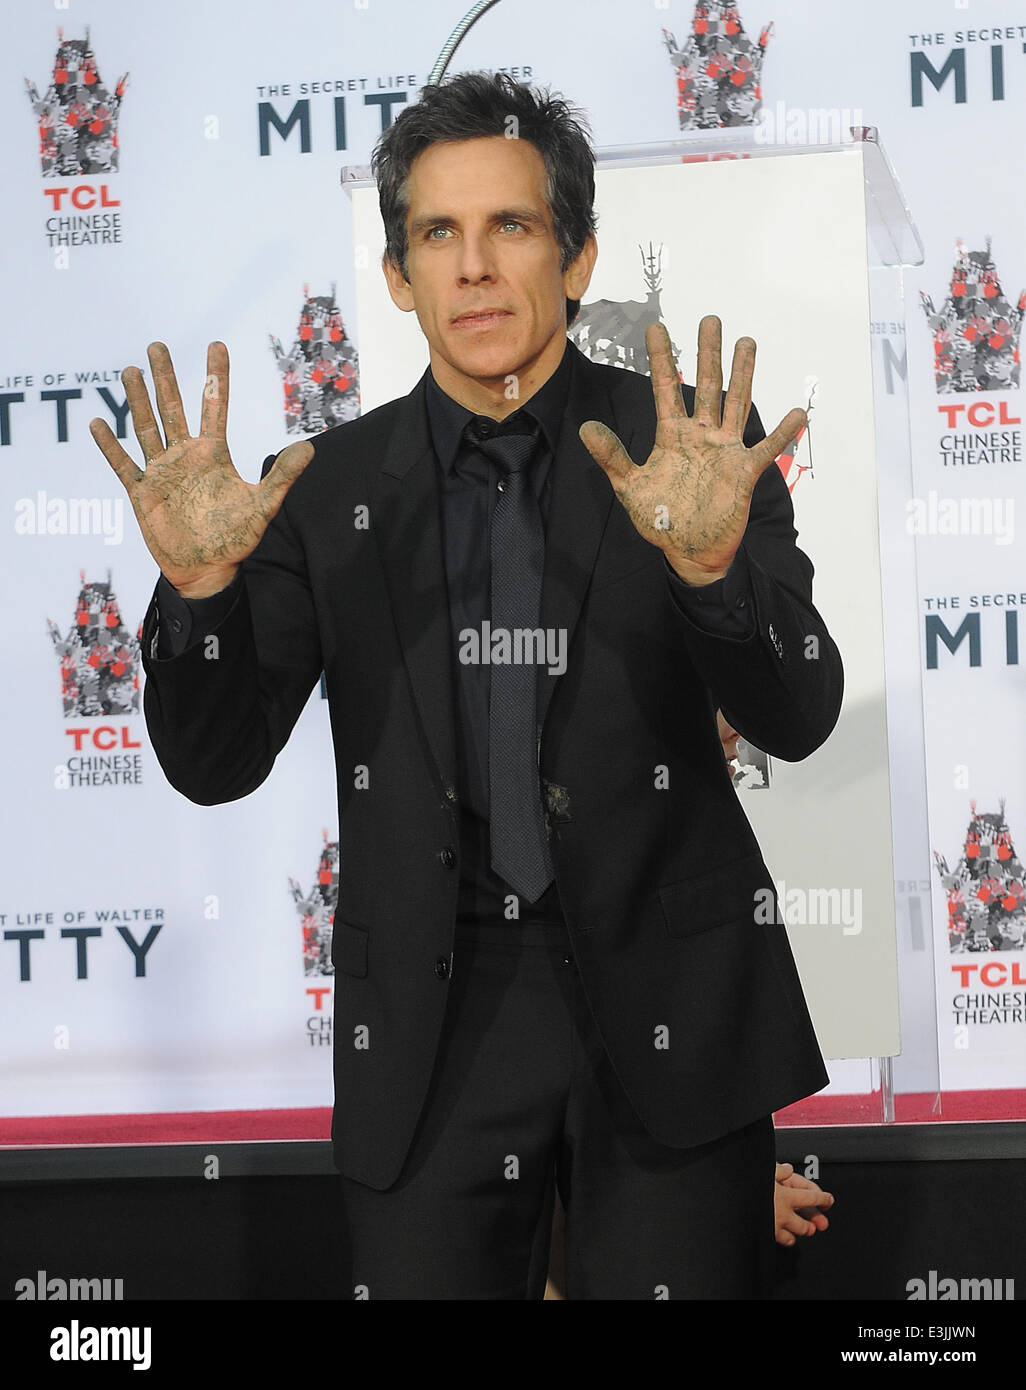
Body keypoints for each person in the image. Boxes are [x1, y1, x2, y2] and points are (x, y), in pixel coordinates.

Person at [89, 71, 843, 1300]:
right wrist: (202, 596)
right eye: (438, 233)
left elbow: (800, 716)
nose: (475, 267)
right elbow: (213, 763)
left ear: (579, 252)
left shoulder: (688, 446)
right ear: (397, 274)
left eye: (513, 227)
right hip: (432, 1033)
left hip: (672, 998)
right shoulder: (322, 489)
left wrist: (714, 573)